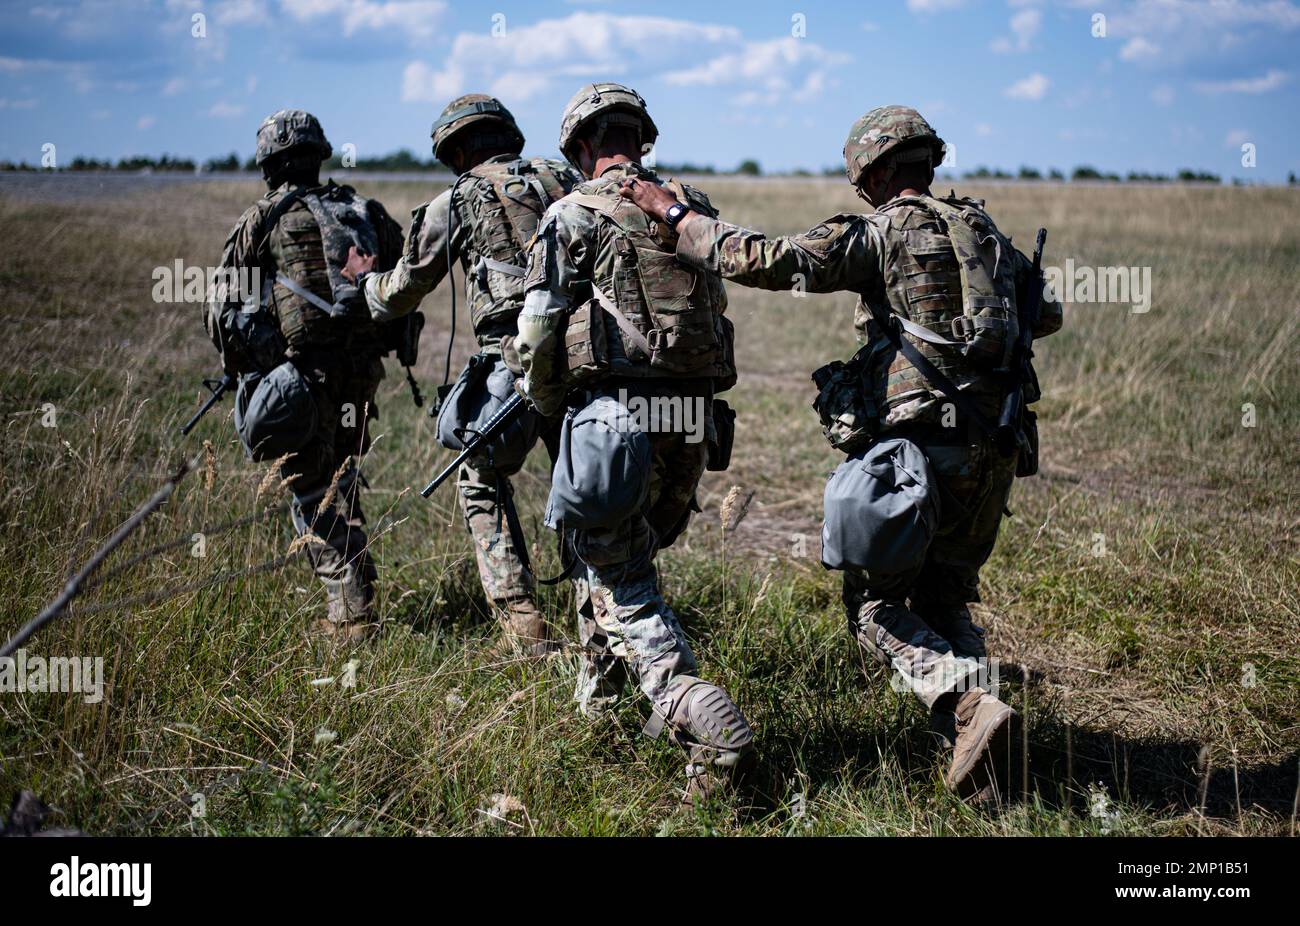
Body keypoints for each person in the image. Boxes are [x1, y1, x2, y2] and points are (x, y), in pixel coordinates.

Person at [619, 105, 1063, 799]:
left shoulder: (879, 232)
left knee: (876, 607)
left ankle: (969, 706)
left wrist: (675, 215)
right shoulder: (987, 234)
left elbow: (769, 260)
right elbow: (1048, 314)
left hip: (918, 453)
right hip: (998, 446)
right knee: (946, 596)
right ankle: (993, 750)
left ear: (877, 171)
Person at [514, 82, 755, 804]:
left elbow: (535, 331)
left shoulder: (571, 211)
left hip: (612, 422)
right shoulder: (694, 207)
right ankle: (603, 707)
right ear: (640, 139)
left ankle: (690, 707)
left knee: (621, 576)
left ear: (581, 148)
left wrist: (549, 405)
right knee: (615, 554)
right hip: (690, 419)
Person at [352, 94, 581, 656]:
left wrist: (365, 282)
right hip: (587, 353)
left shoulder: (455, 198)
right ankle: (598, 625)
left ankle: (523, 627)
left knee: (479, 473)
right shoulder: (569, 178)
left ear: (454, 149)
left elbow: (402, 292)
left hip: (516, 364)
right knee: (582, 484)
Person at [203, 109, 404, 642]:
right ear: (319, 155)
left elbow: (223, 310)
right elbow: (403, 286)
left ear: (269, 165)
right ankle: (358, 580)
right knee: (338, 472)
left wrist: (263, 364)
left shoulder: (264, 219)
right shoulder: (365, 211)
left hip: (302, 377)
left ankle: (352, 614)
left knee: (309, 490)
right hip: (361, 375)